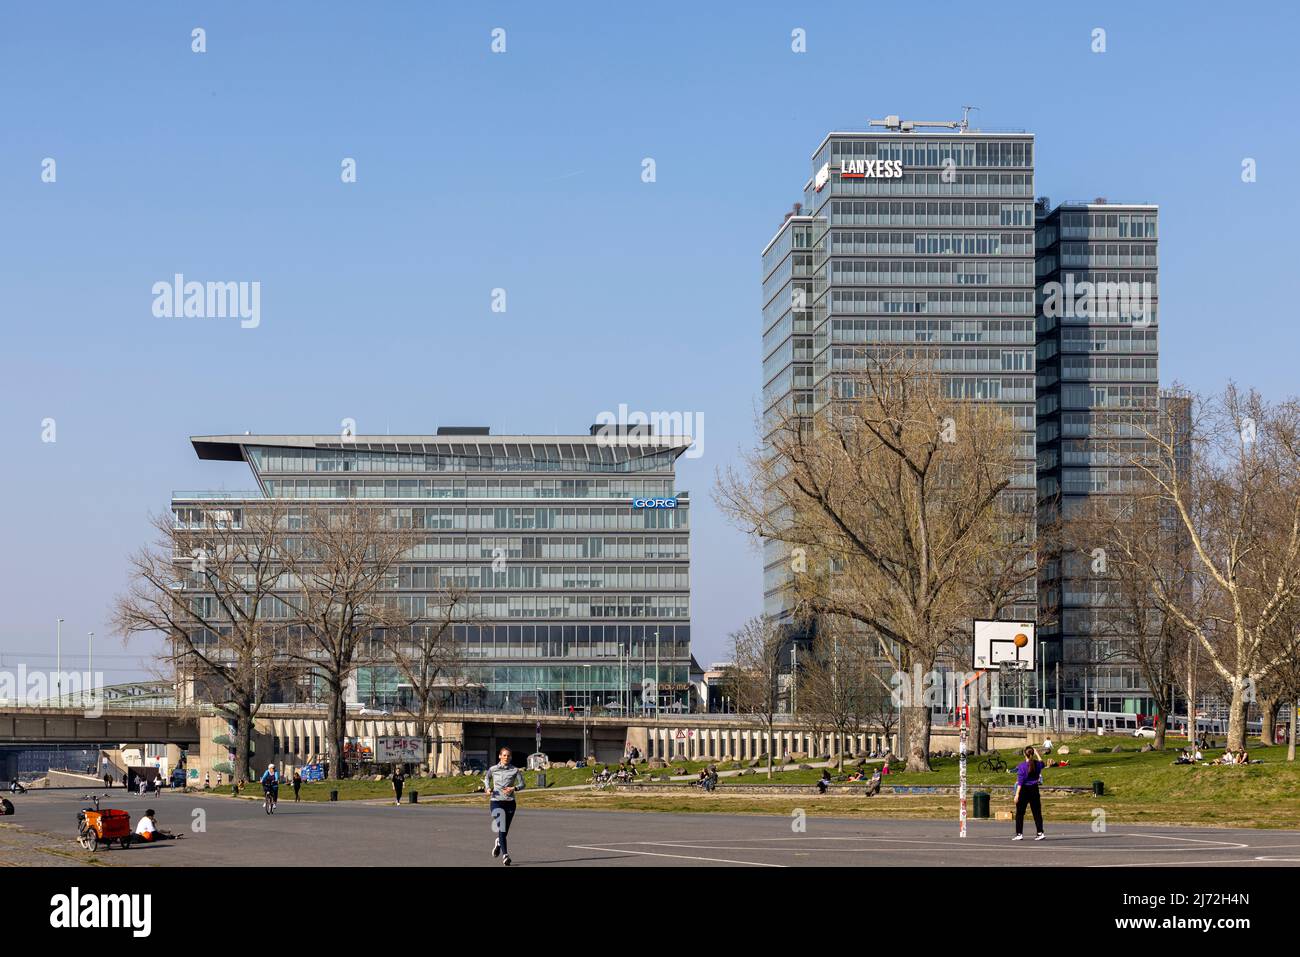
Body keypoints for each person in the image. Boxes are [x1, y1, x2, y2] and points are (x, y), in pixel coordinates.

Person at [484, 747, 525, 865]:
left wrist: (514, 788)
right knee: (501, 828)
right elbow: (487, 778)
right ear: (500, 756)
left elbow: (522, 784)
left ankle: (498, 843)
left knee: (504, 831)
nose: (506, 757)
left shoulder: (515, 770)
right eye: (504, 755)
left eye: (508, 756)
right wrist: (487, 788)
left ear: (511, 757)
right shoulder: (493, 769)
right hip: (496, 802)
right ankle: (505, 856)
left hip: (510, 803)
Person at [1012, 745, 1046, 842]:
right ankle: (1040, 832)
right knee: (1037, 812)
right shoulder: (1037, 764)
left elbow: (1020, 782)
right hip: (1034, 789)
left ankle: (1019, 833)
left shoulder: (1022, 766)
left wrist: (1017, 794)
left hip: (1024, 790)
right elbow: (1042, 763)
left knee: (1020, 813)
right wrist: (1037, 754)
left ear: (1024, 754)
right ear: (1032, 753)